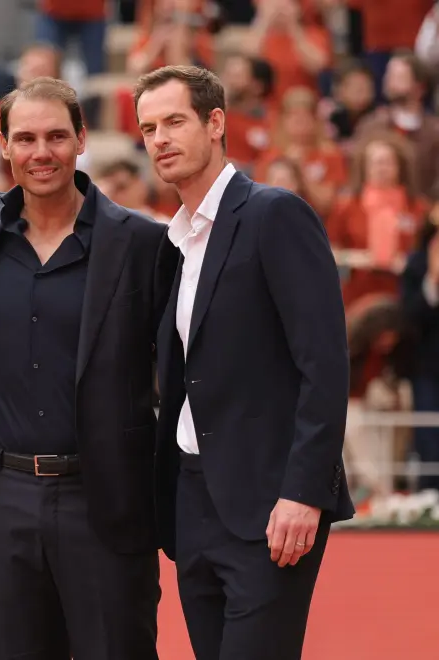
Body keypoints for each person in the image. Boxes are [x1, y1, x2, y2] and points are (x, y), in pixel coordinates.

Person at [0, 77, 178, 660]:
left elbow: (181, 372)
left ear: (82, 140)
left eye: (56, 136)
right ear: (3, 146)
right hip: (2, 496)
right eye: (24, 138)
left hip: (103, 498)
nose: (41, 152)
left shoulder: (143, 243)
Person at [134, 64, 353, 660]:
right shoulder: (174, 243)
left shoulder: (273, 214)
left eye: (174, 121)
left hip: (269, 505)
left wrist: (305, 493)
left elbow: (325, 365)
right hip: (193, 500)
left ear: (216, 122)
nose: (160, 139)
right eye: (148, 128)